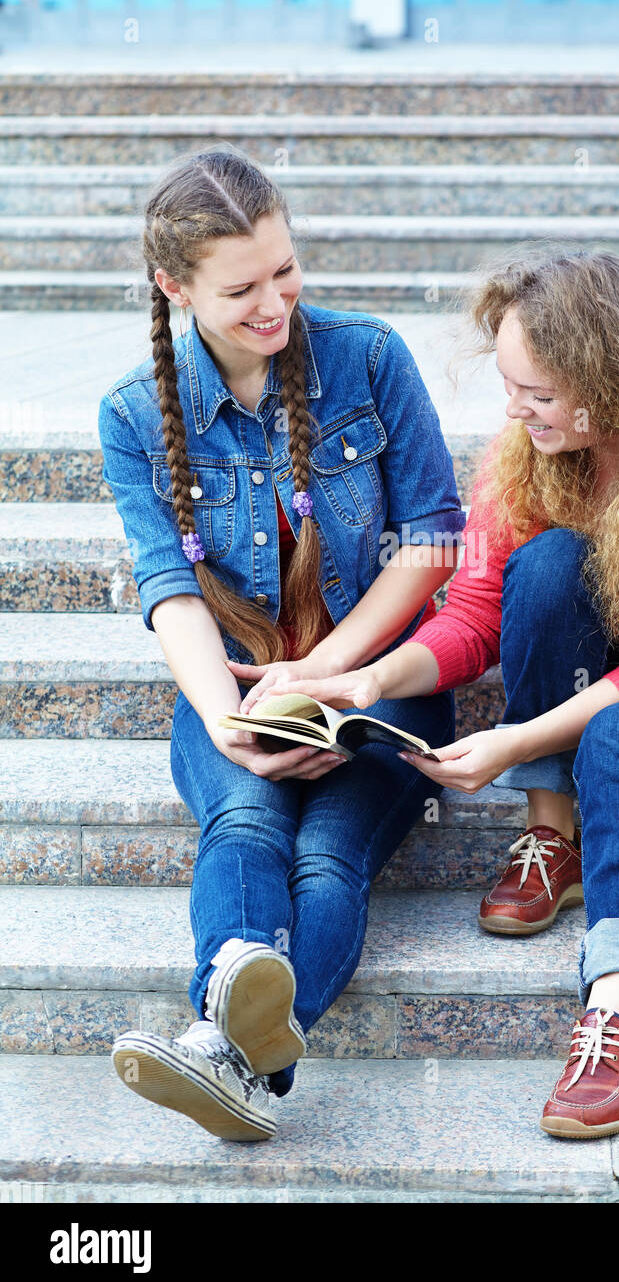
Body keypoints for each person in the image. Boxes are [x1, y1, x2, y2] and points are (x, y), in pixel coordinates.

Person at [263, 247, 619, 1140]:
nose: (513, 409)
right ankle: (552, 836)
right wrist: (364, 676)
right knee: (550, 564)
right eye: (510, 385)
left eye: (538, 392)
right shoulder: (529, 455)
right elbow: (474, 616)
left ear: (604, 380)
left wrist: (514, 742)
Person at [97, 146, 464, 1141]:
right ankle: (239, 1051)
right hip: (235, 688)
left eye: (284, 271)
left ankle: (224, 1050)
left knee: (326, 864)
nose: (274, 302)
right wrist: (225, 717)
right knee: (246, 830)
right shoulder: (134, 413)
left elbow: (434, 538)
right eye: (241, 288)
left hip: (381, 687)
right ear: (173, 287)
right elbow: (167, 584)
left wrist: (328, 671)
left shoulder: (367, 355)